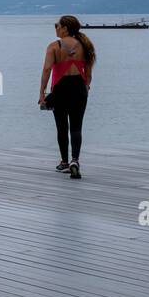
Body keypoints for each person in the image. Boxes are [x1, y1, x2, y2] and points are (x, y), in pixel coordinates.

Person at [38, 15, 95, 179]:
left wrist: (42, 93)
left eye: (57, 25)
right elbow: (89, 74)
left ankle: (64, 162)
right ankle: (75, 160)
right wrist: (86, 86)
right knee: (77, 127)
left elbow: (47, 70)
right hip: (79, 89)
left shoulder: (54, 46)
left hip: (60, 90)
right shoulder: (85, 46)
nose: (55, 28)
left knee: (62, 127)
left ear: (65, 28)